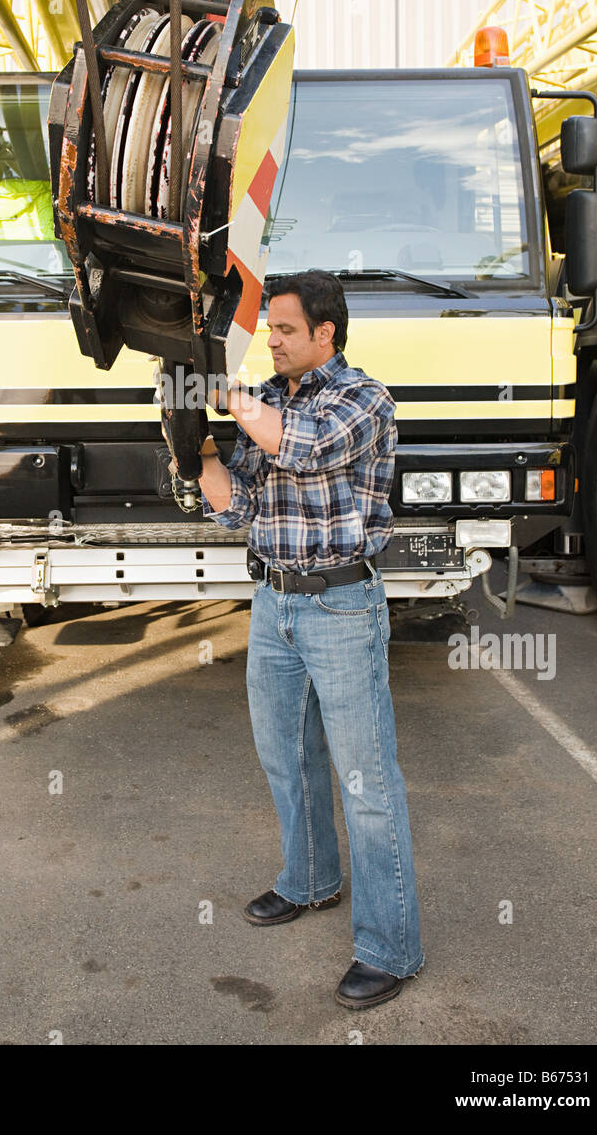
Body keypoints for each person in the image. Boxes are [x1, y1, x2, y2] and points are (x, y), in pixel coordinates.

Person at [198, 269, 424, 1009]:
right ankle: (310, 881)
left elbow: (305, 449)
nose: (273, 340)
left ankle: (390, 950)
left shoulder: (363, 401)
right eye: (270, 329)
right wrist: (197, 452)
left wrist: (220, 392)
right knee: (287, 759)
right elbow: (240, 509)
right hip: (274, 603)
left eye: (286, 329)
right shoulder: (267, 401)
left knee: (366, 782)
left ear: (327, 332)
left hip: (341, 607)